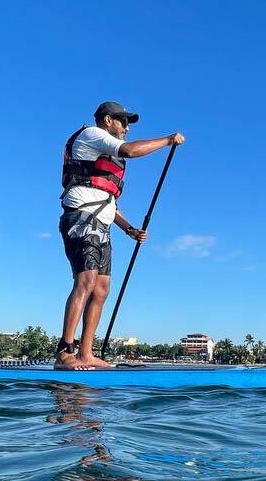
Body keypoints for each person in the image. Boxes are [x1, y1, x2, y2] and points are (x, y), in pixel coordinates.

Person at [56, 101, 185, 369]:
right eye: (122, 121)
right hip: (80, 219)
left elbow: (109, 203)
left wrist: (129, 229)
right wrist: (167, 140)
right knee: (86, 280)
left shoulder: (104, 154)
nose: (126, 127)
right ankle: (64, 352)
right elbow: (129, 150)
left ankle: (86, 353)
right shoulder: (92, 135)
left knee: (101, 289)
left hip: (101, 225)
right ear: (106, 120)